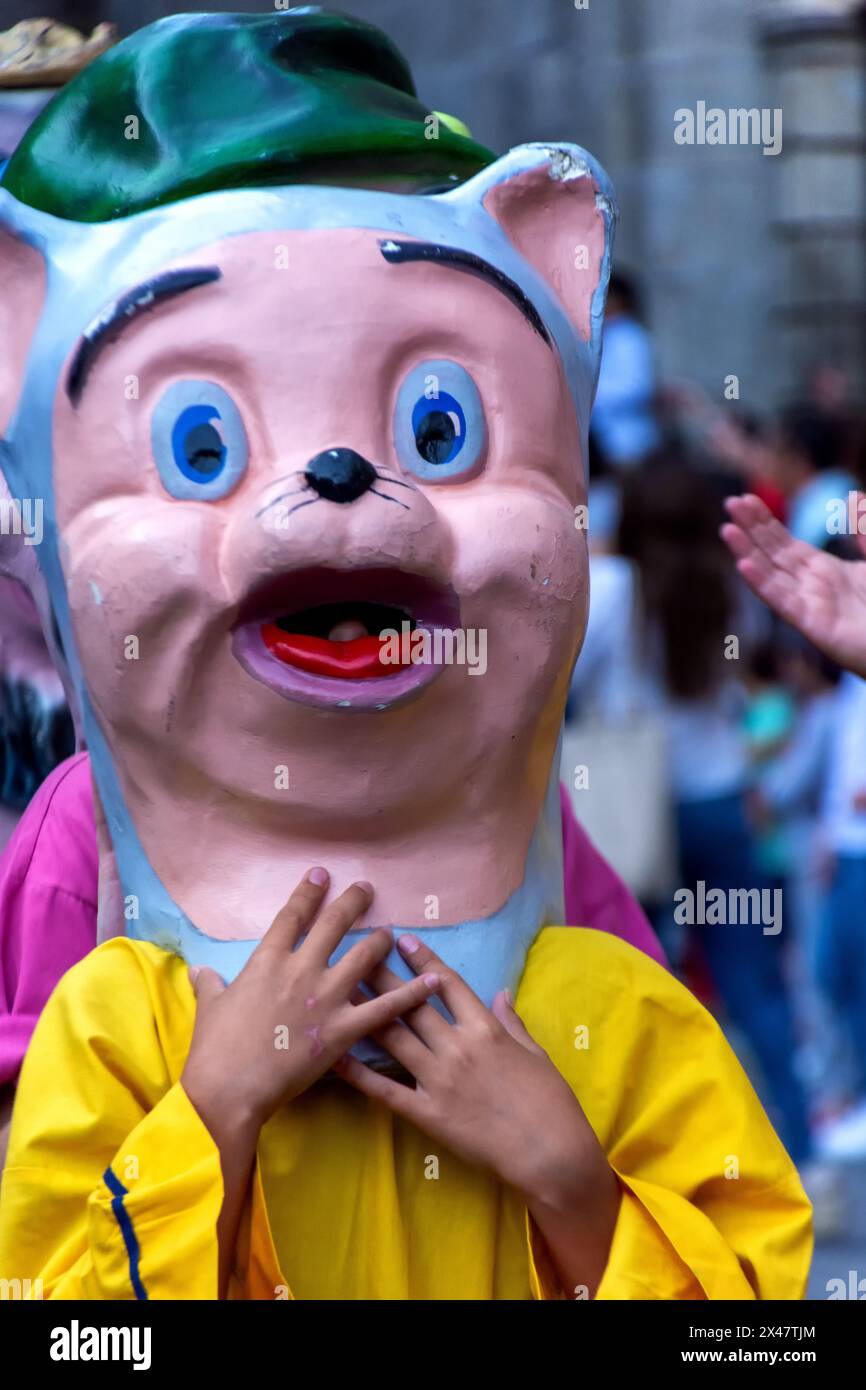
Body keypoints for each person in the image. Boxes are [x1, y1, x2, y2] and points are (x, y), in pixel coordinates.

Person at [0, 12, 810, 1301]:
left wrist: (576, 1187)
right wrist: (209, 1117)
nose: (334, 478)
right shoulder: (116, 1035)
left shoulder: (618, 1020)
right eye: (198, 442)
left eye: (443, 423)